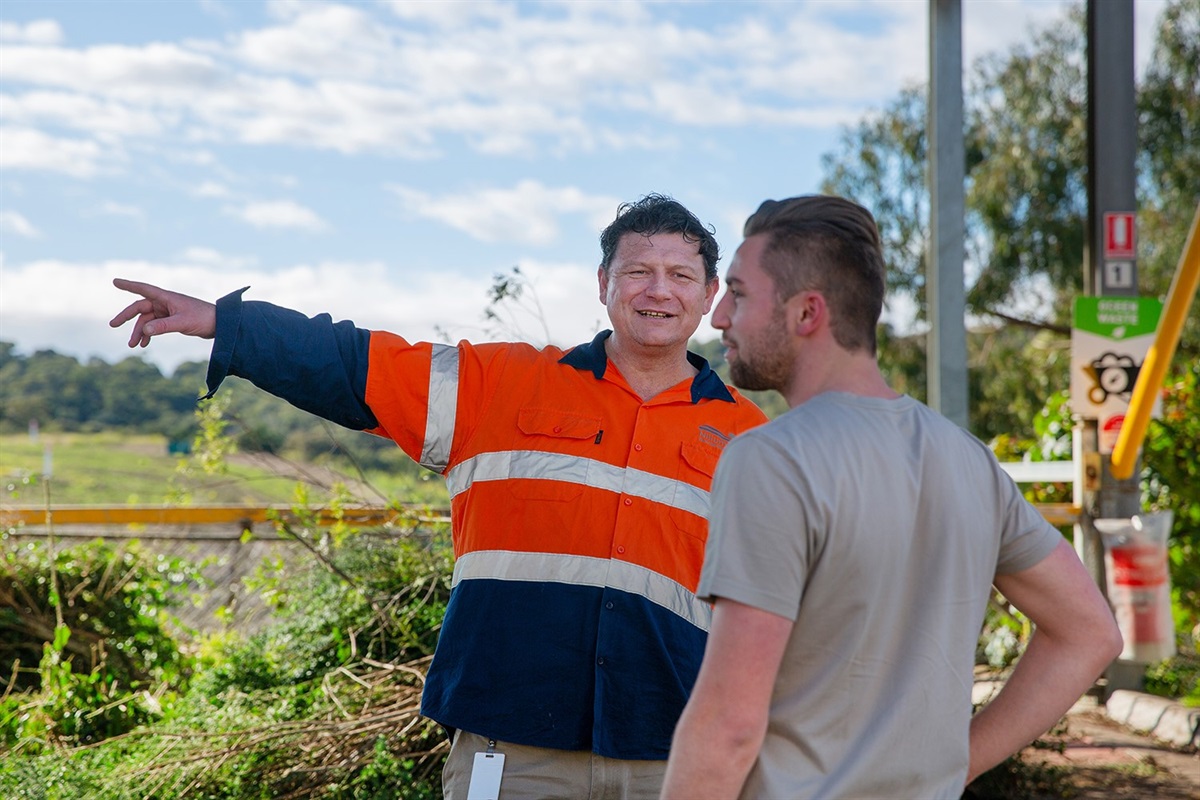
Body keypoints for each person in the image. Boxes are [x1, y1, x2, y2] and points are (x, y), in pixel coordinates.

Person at [110, 194, 768, 800]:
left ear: (709, 294)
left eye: (680, 275)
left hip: (672, 761)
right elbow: (354, 363)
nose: (657, 290)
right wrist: (228, 324)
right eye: (637, 271)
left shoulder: (755, 444)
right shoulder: (499, 386)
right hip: (506, 753)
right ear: (603, 285)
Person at [660, 195, 1123, 800]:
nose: (719, 317)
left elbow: (728, 727)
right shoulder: (968, 459)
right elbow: (1090, 633)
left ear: (806, 314)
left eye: (740, 295)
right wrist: (959, 765)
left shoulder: (770, 459)